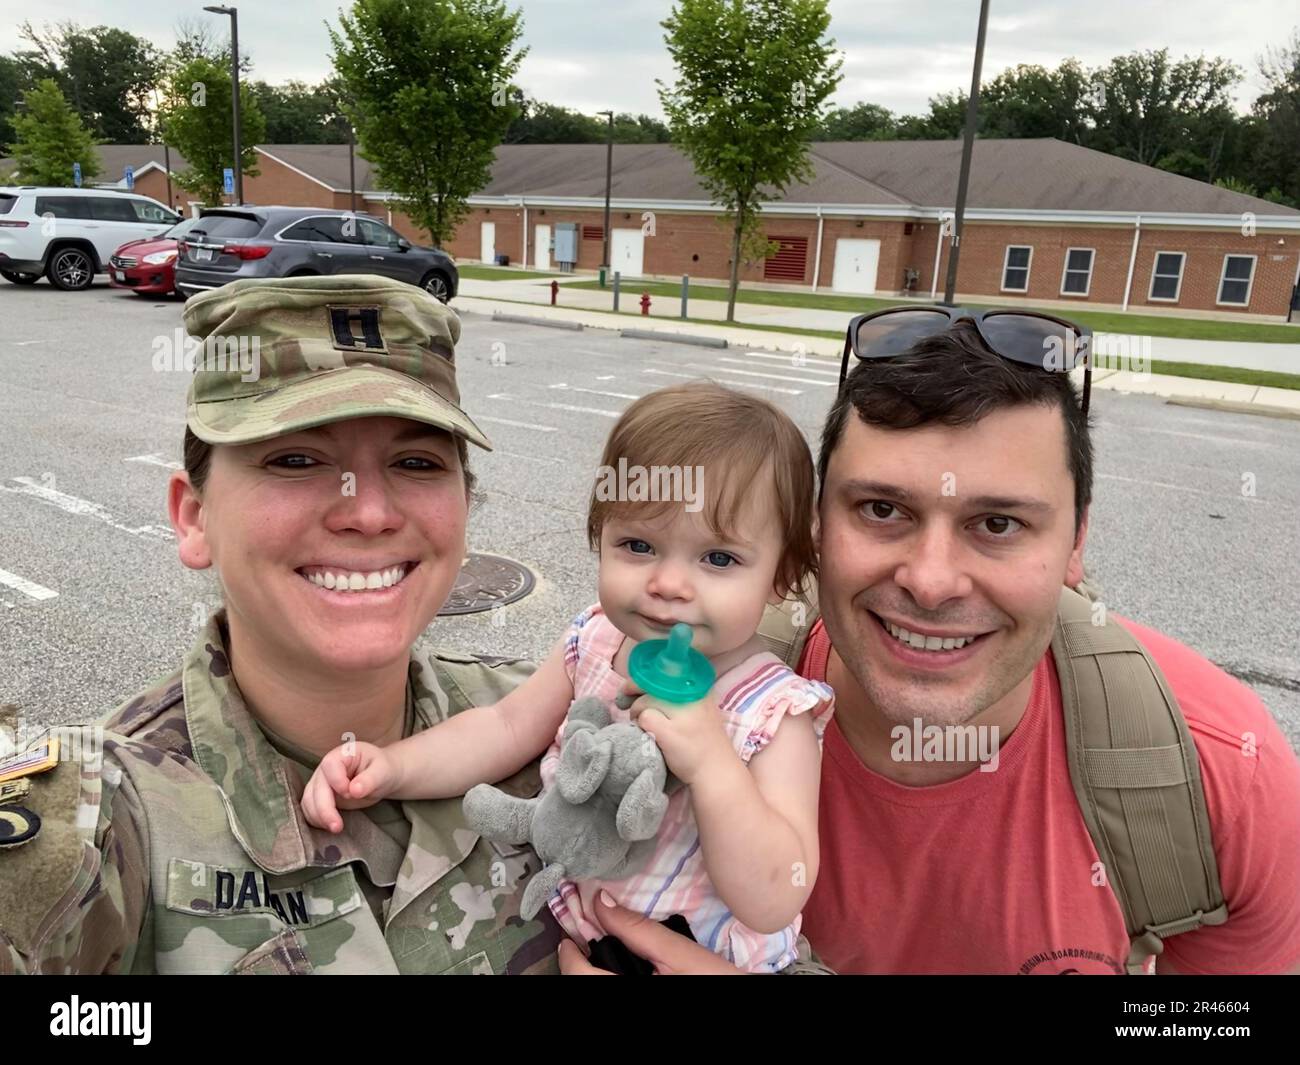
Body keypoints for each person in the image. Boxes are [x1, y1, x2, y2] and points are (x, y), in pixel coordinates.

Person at [560, 307, 1300, 975]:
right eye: (882, 508)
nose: (932, 580)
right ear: (814, 531)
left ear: (1077, 540)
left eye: (999, 523)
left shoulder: (1216, 772)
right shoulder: (700, 680)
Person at [0, 276, 564, 974]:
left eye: (416, 462)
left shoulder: (557, 727)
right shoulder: (107, 816)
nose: (369, 511)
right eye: (296, 459)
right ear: (194, 516)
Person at [302, 383, 834, 973]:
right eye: (638, 545)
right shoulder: (597, 639)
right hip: (580, 939)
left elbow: (777, 895)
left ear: (783, 576)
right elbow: (505, 726)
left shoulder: (772, 714)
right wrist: (394, 766)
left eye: (718, 559)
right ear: (597, 538)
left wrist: (713, 768)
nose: (669, 584)